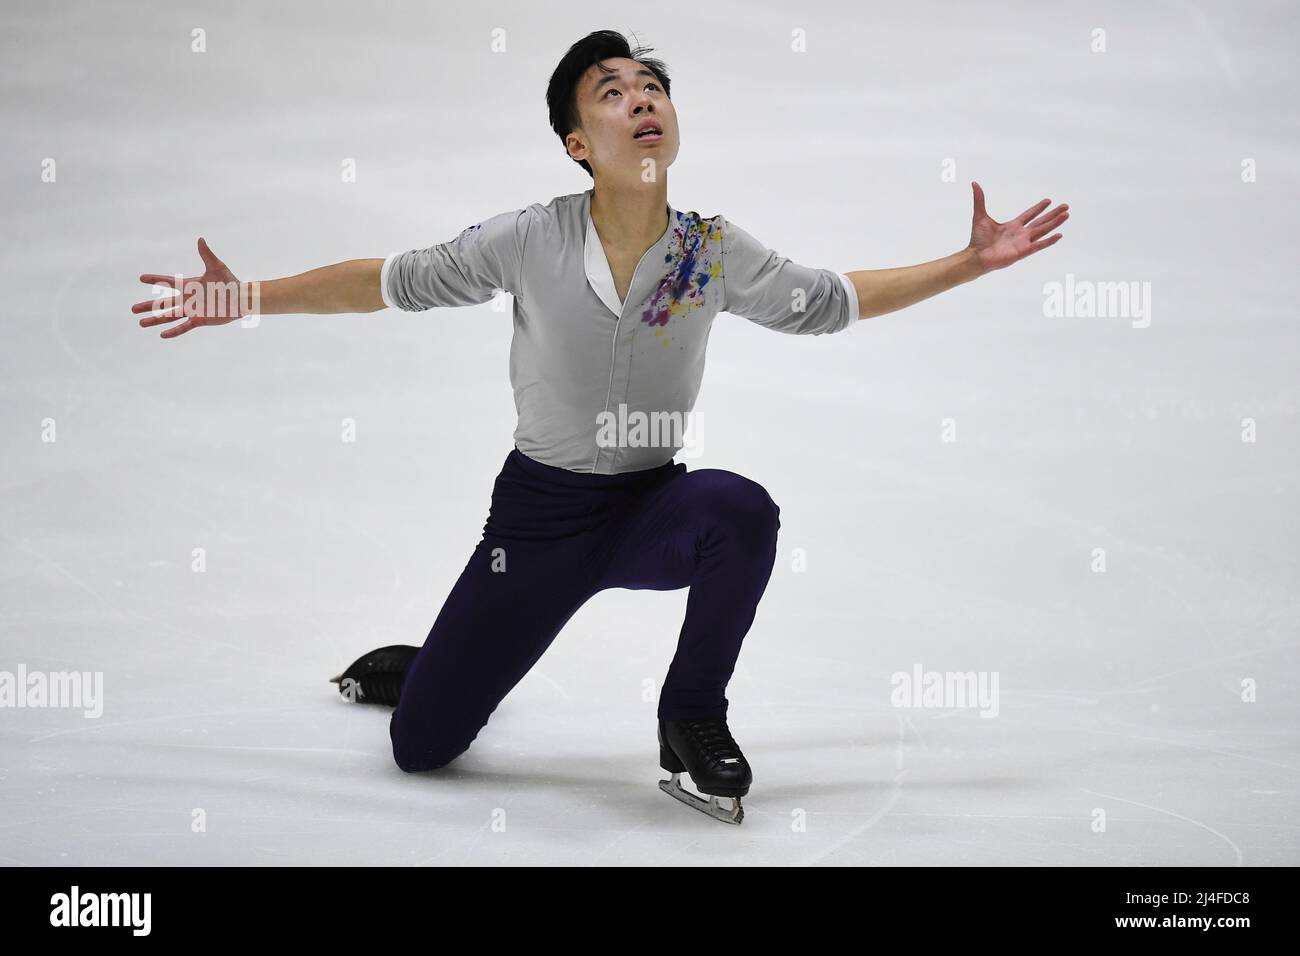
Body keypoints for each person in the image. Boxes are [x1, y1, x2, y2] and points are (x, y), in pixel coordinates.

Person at [131, 30, 1068, 825]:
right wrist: (244, 294)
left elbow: (828, 301)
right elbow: (389, 282)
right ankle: (431, 670)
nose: (641, 102)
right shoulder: (529, 239)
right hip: (536, 524)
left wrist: (970, 263)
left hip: (651, 508)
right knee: (422, 748)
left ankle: (690, 714)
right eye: (612, 93)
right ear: (579, 142)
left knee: (740, 511)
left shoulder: (710, 251)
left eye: (651, 88)